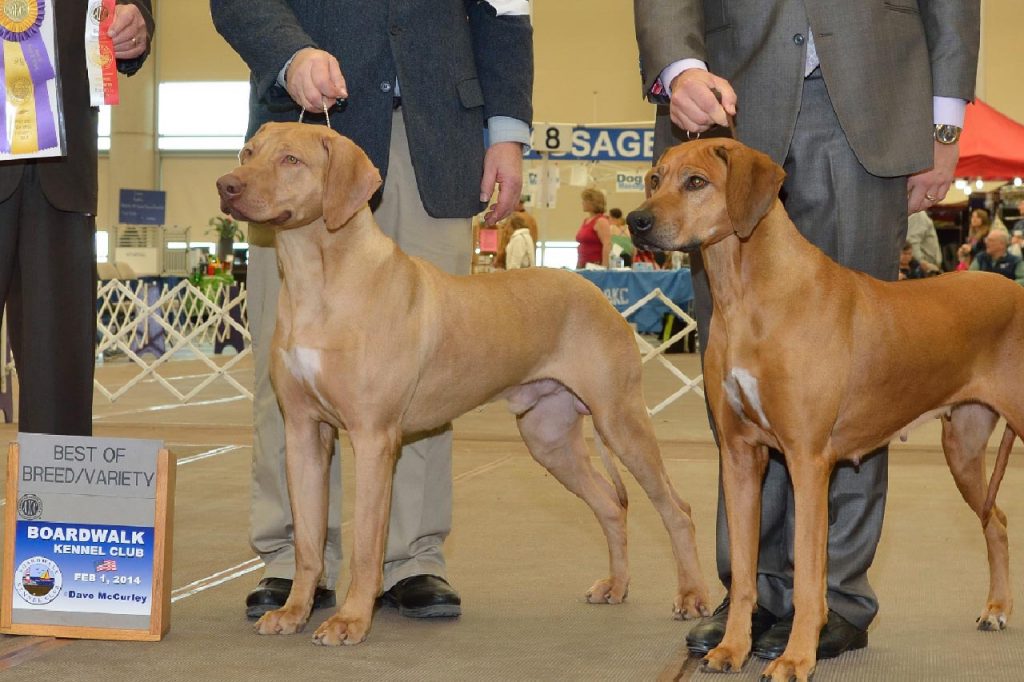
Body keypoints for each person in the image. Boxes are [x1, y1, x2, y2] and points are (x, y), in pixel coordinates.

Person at [635, 0, 979, 661]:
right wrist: (679, 66)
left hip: (872, 103)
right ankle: (752, 595)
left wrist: (943, 122)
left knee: (860, 379)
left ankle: (837, 599)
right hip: (728, 96)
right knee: (739, 401)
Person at [210, 0, 533, 620]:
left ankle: (411, 558)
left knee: (429, 367)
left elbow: (505, 13)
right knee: (289, 376)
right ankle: (291, 558)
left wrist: (508, 131)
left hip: (436, 131)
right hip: (303, 138)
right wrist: (290, 53)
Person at [0, 1, 154, 437]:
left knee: (58, 367)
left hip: (65, 160)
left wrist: (137, 22)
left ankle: (54, 503)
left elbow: (133, 8)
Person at [576, 188, 611, 268]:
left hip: (595, 264)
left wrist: (604, 267)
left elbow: (607, 244)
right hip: (582, 263)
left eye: (585, 200)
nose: (582, 203)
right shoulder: (586, 221)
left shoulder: (601, 221)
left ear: (592, 203)